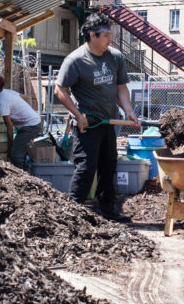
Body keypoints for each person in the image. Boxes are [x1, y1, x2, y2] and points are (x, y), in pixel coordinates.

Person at [54, 12, 139, 221]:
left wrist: (128, 110)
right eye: (106, 35)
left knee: (108, 165)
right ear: (93, 35)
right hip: (87, 124)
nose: (110, 39)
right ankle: (72, 212)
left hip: (108, 121)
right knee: (86, 166)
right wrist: (77, 115)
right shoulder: (75, 60)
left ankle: (107, 209)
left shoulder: (115, 57)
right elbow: (60, 90)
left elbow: (120, 88)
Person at [0, 72, 42, 169]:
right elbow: (26, 98)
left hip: (31, 125)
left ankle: (20, 179)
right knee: (20, 152)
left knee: (15, 154)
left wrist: (10, 148)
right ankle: (26, 172)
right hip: (32, 122)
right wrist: (22, 112)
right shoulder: (8, 92)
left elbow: (9, 127)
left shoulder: (2, 102)